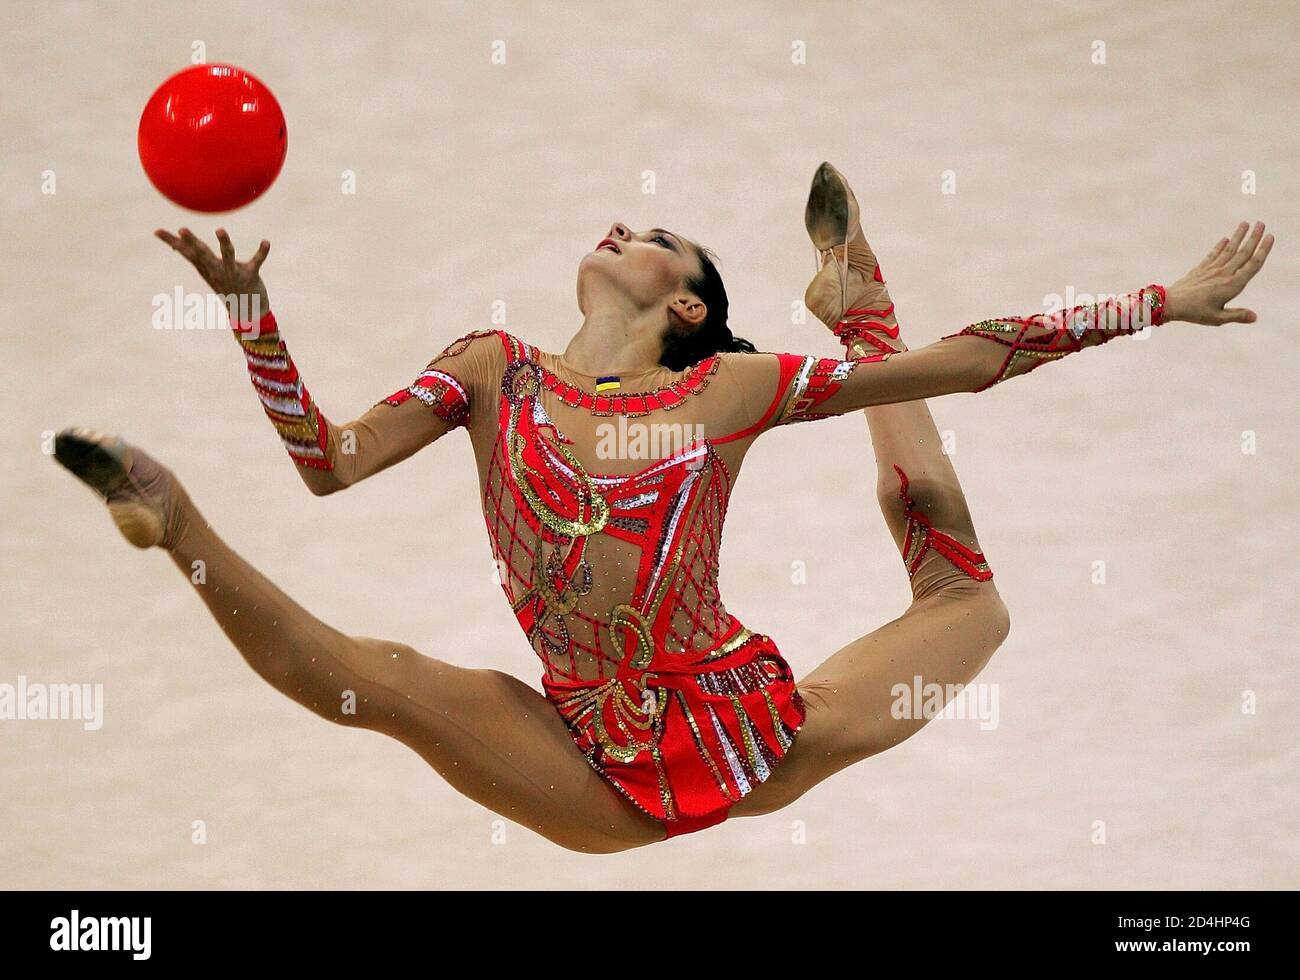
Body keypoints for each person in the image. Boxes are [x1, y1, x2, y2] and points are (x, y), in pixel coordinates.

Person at [54, 162, 1272, 852]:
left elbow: (968, 361)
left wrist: (1159, 300)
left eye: (652, 237)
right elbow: (328, 460)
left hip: (747, 730)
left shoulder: (729, 385)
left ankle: (864, 314)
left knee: (968, 598)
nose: (618, 228)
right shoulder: (490, 368)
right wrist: (252, 318)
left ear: (686, 304)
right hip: (580, 753)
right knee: (382, 678)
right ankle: (177, 520)